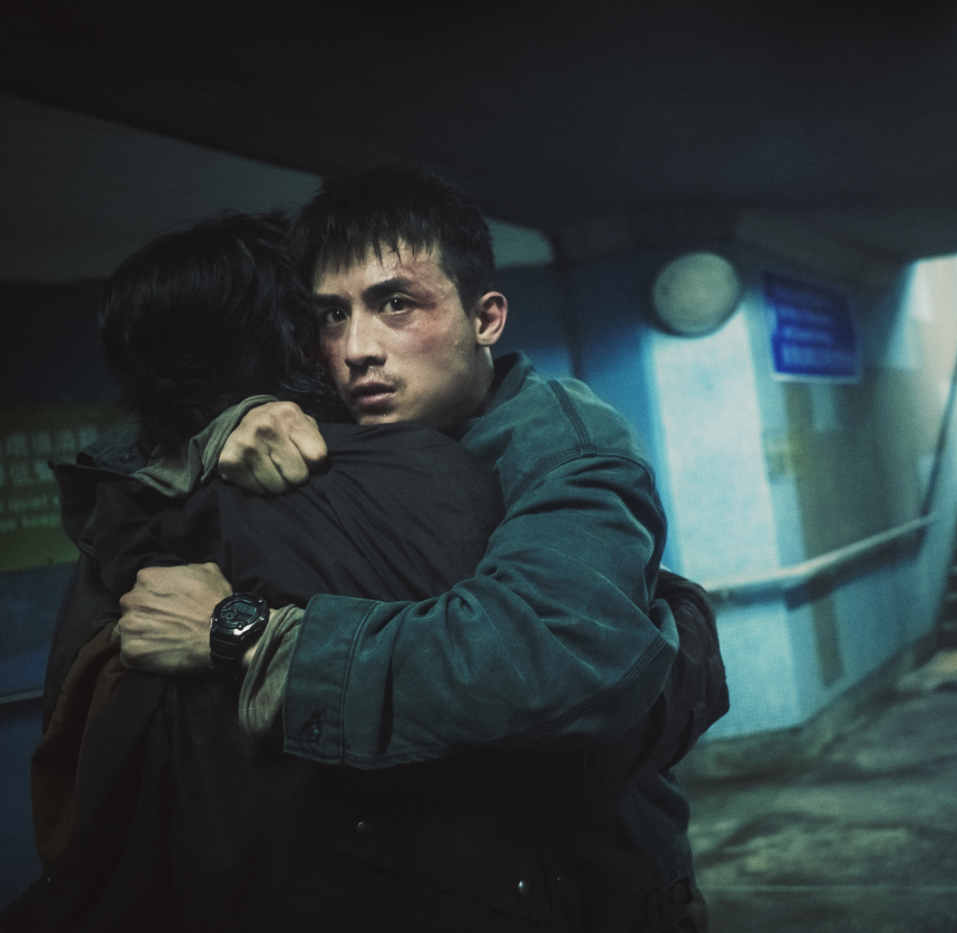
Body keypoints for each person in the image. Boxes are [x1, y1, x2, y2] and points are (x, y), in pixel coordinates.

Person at [37, 168, 721, 932]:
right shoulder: (340, 440)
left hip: (614, 893)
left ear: (486, 317)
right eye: (332, 315)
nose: (358, 348)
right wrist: (219, 427)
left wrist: (247, 635)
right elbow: (126, 461)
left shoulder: (561, 440)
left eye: (397, 304)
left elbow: (554, 652)